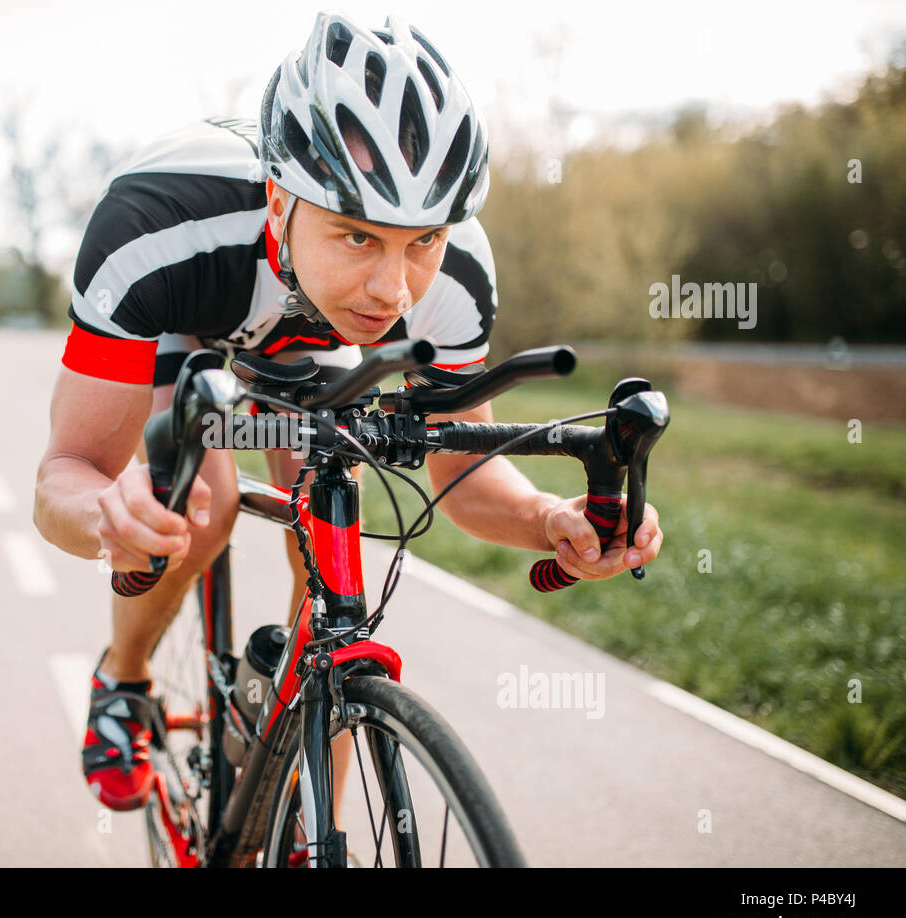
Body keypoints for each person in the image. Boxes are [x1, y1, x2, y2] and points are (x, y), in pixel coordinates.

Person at [33, 11, 663, 813]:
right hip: (190, 307)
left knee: (332, 513)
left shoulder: (456, 277)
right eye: (358, 236)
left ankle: (311, 818)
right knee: (199, 502)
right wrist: (107, 516)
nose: (394, 290)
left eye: (421, 239)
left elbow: (461, 474)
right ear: (278, 201)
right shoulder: (156, 227)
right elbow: (65, 472)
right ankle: (123, 678)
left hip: (311, 336)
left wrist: (550, 519)